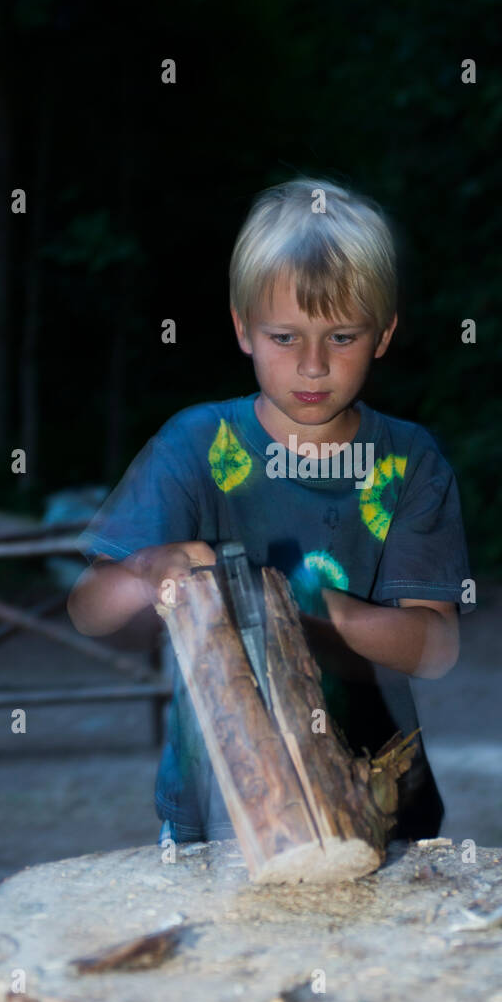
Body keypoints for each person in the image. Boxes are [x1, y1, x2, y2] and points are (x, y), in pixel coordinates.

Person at [67, 176, 471, 846]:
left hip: (382, 817)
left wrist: (299, 601)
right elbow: (88, 609)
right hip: (217, 818)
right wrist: (146, 571)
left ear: (383, 334)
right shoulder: (194, 447)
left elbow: (434, 648)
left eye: (341, 337)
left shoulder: (409, 460)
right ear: (241, 328)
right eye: (284, 337)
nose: (312, 366)